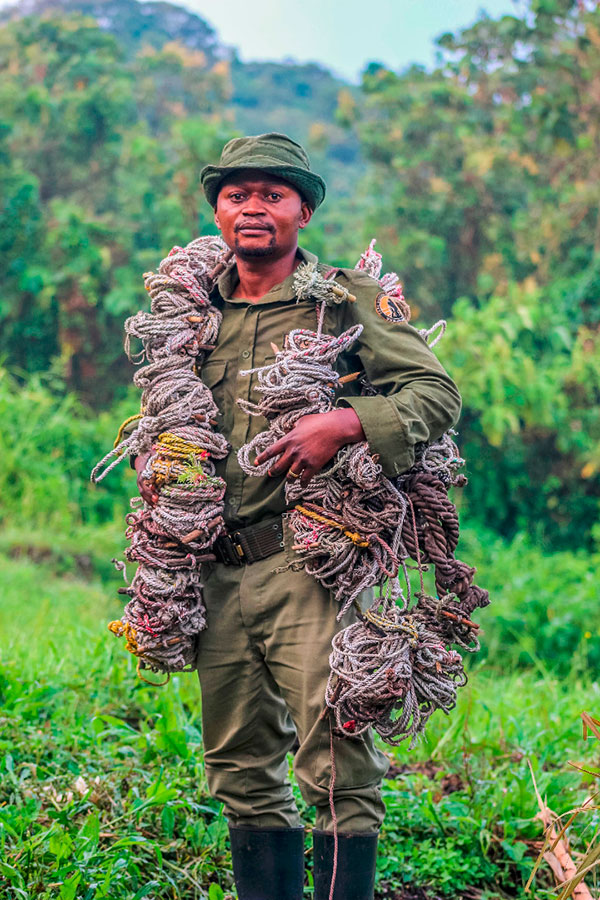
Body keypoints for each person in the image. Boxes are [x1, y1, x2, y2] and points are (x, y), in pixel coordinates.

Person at [131, 133, 462, 900]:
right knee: (240, 769)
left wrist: (344, 423)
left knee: (338, 764)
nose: (253, 208)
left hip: (309, 563)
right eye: (237, 194)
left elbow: (435, 396)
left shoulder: (346, 303)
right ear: (217, 209)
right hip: (213, 570)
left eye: (272, 195)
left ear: (302, 212)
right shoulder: (189, 317)